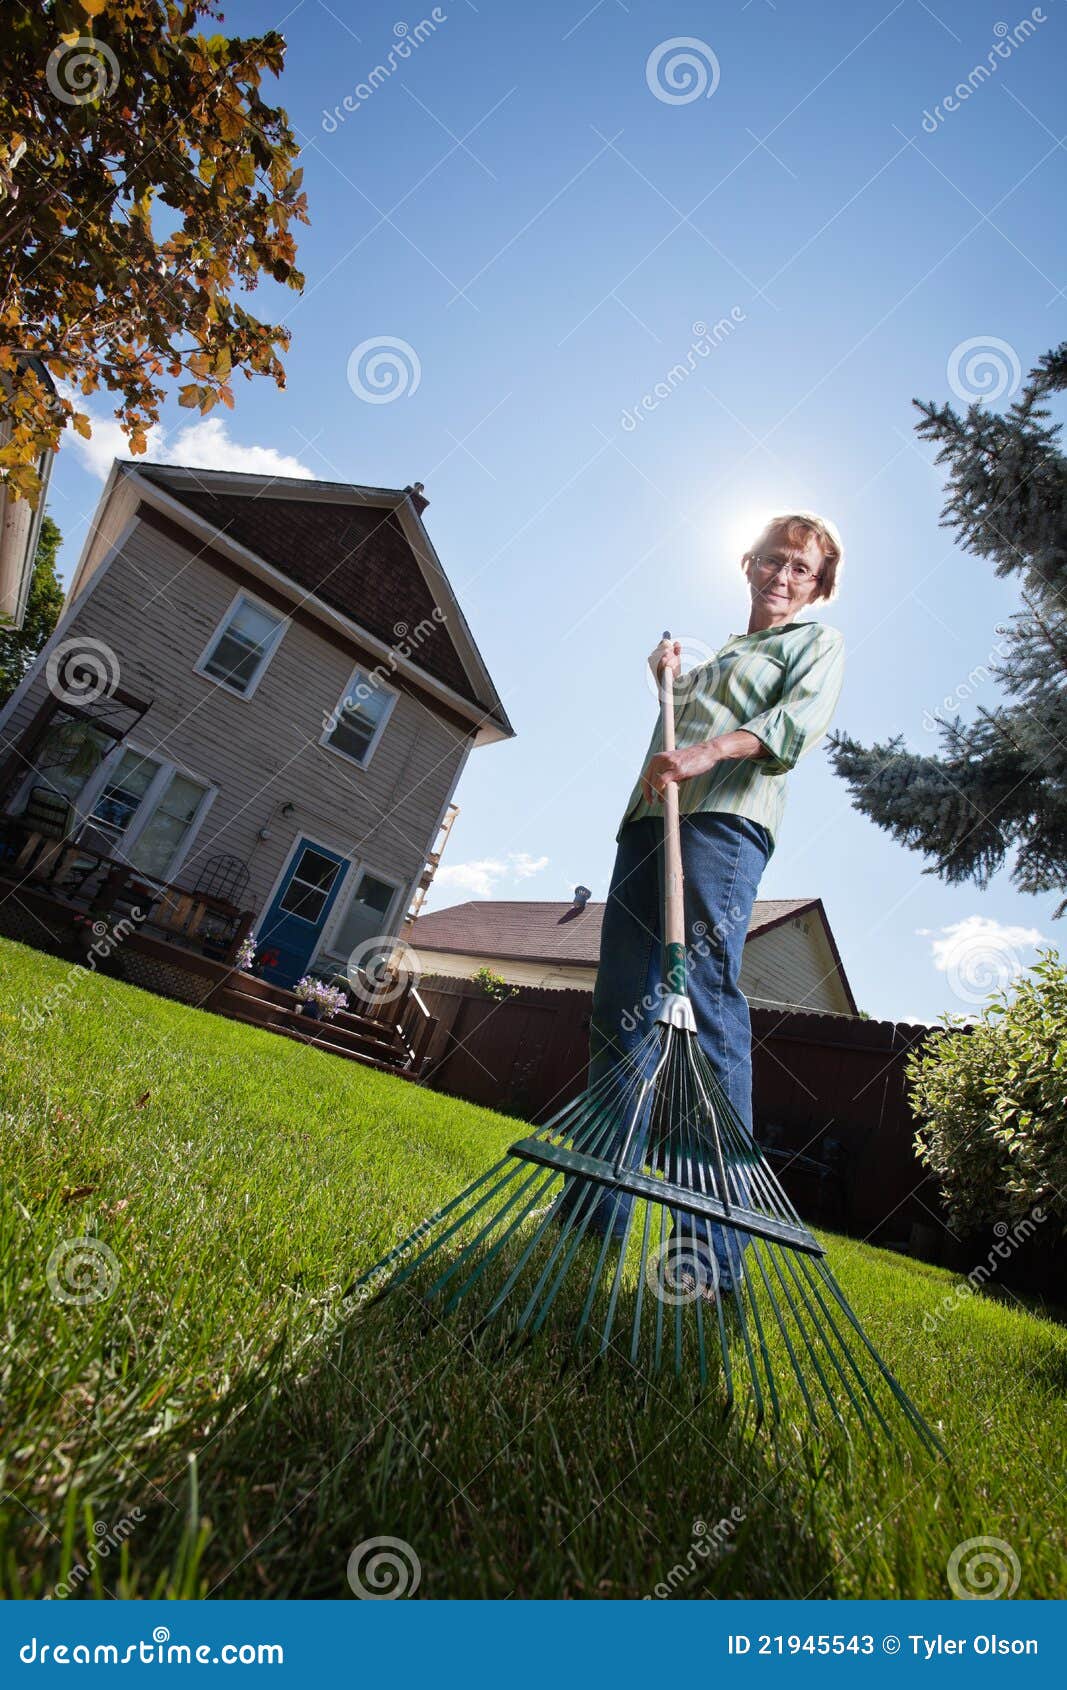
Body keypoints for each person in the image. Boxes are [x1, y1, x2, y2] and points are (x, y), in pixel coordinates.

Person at [566, 511, 847, 1301]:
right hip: (648, 823)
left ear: (816, 586)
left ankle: (708, 1248)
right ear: (748, 565)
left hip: (724, 827)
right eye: (771, 560)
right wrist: (664, 687)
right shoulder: (723, 653)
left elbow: (790, 726)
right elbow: (675, 726)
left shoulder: (812, 645)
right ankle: (592, 1214)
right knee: (621, 1007)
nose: (782, 576)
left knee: (705, 1004)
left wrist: (704, 752)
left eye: (800, 569)